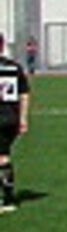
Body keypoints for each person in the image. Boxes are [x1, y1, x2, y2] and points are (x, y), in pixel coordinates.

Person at [0, 33, 30, 214]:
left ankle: (7, 199)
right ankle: (7, 198)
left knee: (2, 158)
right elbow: (24, 93)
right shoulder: (13, 67)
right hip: (11, 118)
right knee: (3, 155)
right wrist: (23, 118)